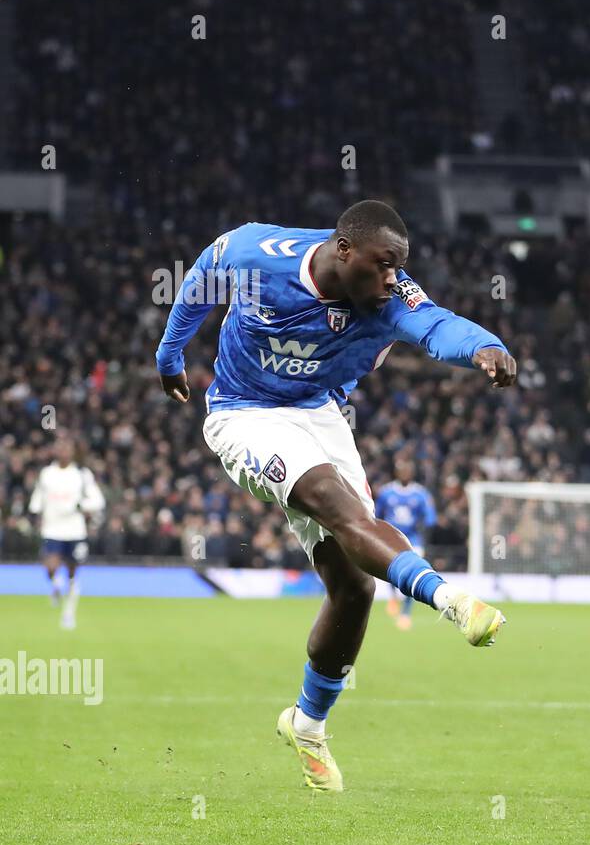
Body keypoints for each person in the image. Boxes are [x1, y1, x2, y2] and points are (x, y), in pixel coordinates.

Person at [155, 200, 517, 792]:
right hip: (244, 415)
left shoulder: (391, 296)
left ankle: (307, 725)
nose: (391, 281)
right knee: (333, 502)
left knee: (355, 587)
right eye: (381, 266)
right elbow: (202, 276)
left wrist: (483, 347)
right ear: (343, 250)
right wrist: (170, 354)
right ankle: (449, 600)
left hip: (319, 413)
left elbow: (438, 325)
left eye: (398, 268)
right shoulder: (258, 254)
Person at [28, 437, 105, 630]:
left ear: (72, 452)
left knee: (73, 574)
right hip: (52, 528)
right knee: (51, 568)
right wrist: (35, 512)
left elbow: (98, 500)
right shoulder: (47, 473)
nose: (63, 452)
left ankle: (68, 613)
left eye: (67, 448)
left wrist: (82, 505)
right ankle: (55, 585)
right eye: (59, 448)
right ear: (55, 451)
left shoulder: (81, 474)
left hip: (74, 530)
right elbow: (38, 498)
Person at [374, 458, 438, 631]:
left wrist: (424, 529)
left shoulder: (420, 494)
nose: (405, 473)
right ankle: (393, 596)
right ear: (396, 472)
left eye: (407, 470)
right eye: (402, 470)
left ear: (412, 472)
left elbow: (431, 517)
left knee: (411, 573)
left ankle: (405, 613)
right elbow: (377, 514)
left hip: (413, 538)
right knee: (392, 571)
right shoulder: (387, 492)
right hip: (391, 537)